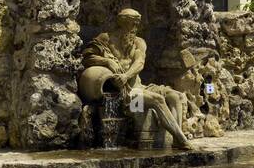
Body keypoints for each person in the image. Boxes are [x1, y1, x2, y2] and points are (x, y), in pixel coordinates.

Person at [79, 8, 192, 149]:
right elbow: (87, 57)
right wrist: (107, 61)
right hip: (126, 96)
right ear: (121, 22)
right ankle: (182, 140)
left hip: (139, 86)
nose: (135, 27)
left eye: (137, 24)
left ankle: (176, 137)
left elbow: (140, 62)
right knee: (158, 99)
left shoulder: (139, 42)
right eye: (132, 23)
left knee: (174, 96)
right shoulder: (105, 39)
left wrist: (126, 75)